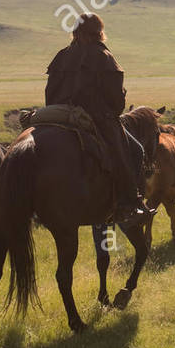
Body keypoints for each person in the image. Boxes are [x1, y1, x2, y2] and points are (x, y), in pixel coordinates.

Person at [45, 12, 152, 228]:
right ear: (99, 32)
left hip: (56, 112)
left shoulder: (61, 56)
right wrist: (111, 111)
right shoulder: (104, 57)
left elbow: (49, 92)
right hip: (95, 116)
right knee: (135, 150)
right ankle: (130, 203)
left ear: (75, 32)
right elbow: (116, 101)